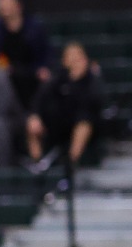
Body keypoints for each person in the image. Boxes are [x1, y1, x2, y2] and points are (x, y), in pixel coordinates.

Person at [29, 41, 106, 171]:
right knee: (32, 123)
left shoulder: (91, 78)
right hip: (59, 123)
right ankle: (38, 164)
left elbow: (95, 103)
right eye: (70, 56)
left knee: (83, 124)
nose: (74, 60)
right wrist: (35, 116)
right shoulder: (58, 77)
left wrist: (77, 81)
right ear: (64, 60)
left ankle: (71, 163)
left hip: (85, 125)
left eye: (77, 56)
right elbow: (40, 98)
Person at [0, 0, 53, 109]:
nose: (5, 8)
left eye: (8, 4)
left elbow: (45, 55)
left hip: (32, 73)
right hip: (5, 75)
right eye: (2, 5)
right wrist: (0, 66)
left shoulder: (35, 28)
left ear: (18, 6)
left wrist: (43, 68)